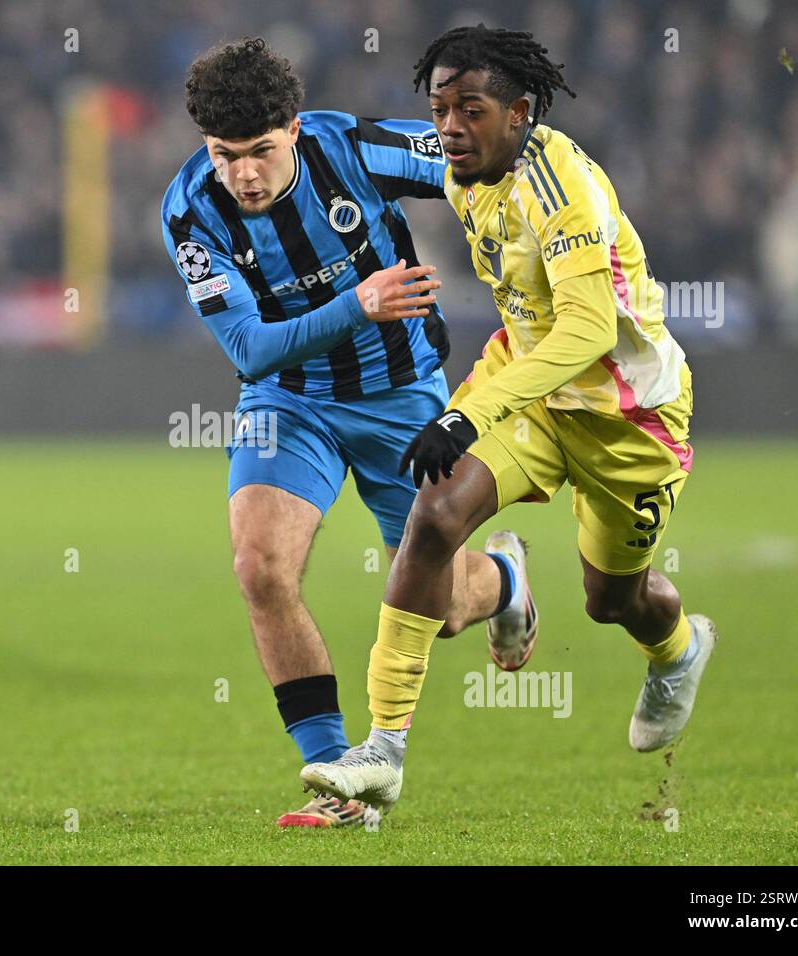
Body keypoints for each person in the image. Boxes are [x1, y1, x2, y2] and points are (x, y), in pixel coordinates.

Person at [302, 25, 716, 815]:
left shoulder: (562, 187)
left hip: (629, 421)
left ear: (521, 111)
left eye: (472, 110)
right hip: (533, 392)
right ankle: (383, 752)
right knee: (434, 517)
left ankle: (678, 648)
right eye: (439, 109)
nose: (451, 127)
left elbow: (590, 331)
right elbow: (361, 154)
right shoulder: (462, 171)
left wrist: (466, 415)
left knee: (613, 600)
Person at [161, 37, 538, 828]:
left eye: (261, 151)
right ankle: (338, 780)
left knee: (447, 608)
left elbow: (485, 159)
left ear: (294, 129)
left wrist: (533, 254)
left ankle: (503, 583)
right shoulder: (190, 210)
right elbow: (251, 347)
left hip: (402, 397)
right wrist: (357, 303)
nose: (245, 175)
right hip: (287, 400)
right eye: (226, 155)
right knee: (261, 567)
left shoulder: (352, 148)